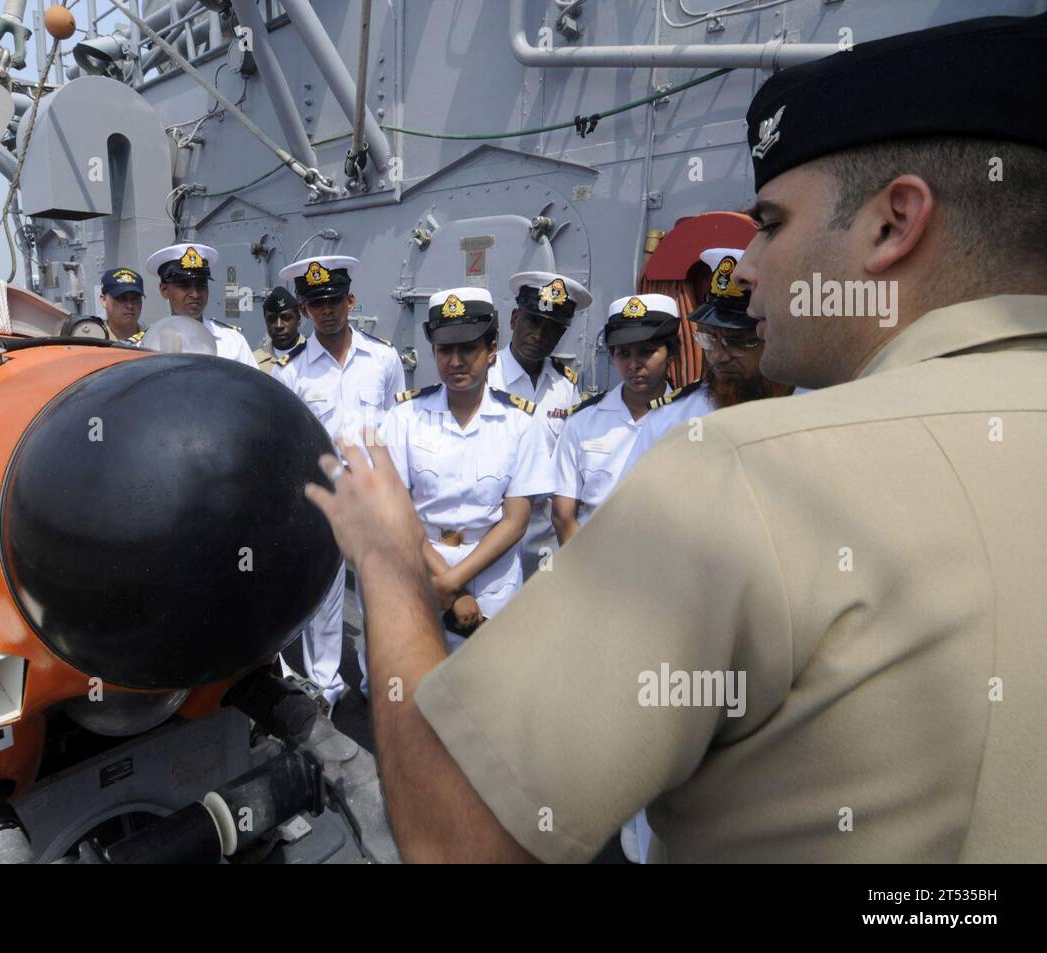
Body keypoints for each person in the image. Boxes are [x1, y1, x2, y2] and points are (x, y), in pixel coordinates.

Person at [302, 10, 1047, 862]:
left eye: (770, 222)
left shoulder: (741, 478)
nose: (752, 267)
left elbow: (450, 837)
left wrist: (391, 562)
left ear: (892, 223)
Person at [380, 288, 556, 652]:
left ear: (492, 349)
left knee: (488, 692)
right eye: (445, 350)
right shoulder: (405, 417)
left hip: (493, 580)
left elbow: (515, 521)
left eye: (468, 348)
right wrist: (447, 586)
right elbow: (394, 511)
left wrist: (452, 582)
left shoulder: (520, 422)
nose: (456, 361)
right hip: (421, 567)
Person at [273, 254, 405, 710]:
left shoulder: (384, 359)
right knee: (325, 602)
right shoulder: (291, 372)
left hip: (372, 493)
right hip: (325, 499)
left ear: (350, 301)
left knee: (377, 596)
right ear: (305, 311)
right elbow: (288, 441)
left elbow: (395, 425)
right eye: (315, 303)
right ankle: (326, 687)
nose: (326, 310)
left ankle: (378, 680)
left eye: (333, 300)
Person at [616, 248, 793, 480]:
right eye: (709, 339)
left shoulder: (813, 407)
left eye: (737, 342)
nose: (718, 356)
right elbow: (634, 502)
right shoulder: (671, 420)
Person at [551, 293, 680, 543]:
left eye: (647, 352)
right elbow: (563, 516)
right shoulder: (583, 422)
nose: (634, 364)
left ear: (672, 352)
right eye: (623, 353)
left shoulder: (692, 417)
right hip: (594, 562)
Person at [487, 271, 591, 578]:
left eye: (553, 328)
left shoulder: (564, 386)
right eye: (533, 321)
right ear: (514, 318)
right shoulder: (485, 378)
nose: (540, 334)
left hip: (543, 534)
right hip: (491, 526)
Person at [140, 243, 258, 367]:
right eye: (184, 286)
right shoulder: (145, 345)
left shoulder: (233, 343)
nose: (195, 294)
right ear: (164, 290)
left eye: (201, 285)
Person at [253, 286, 305, 373]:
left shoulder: (314, 355)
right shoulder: (254, 362)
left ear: (299, 320)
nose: (279, 325)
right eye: (272, 319)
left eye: (286, 318)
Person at [98, 267, 146, 345]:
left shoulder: (153, 340)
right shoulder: (93, 342)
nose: (130, 306)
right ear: (104, 300)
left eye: (135, 299)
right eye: (121, 298)